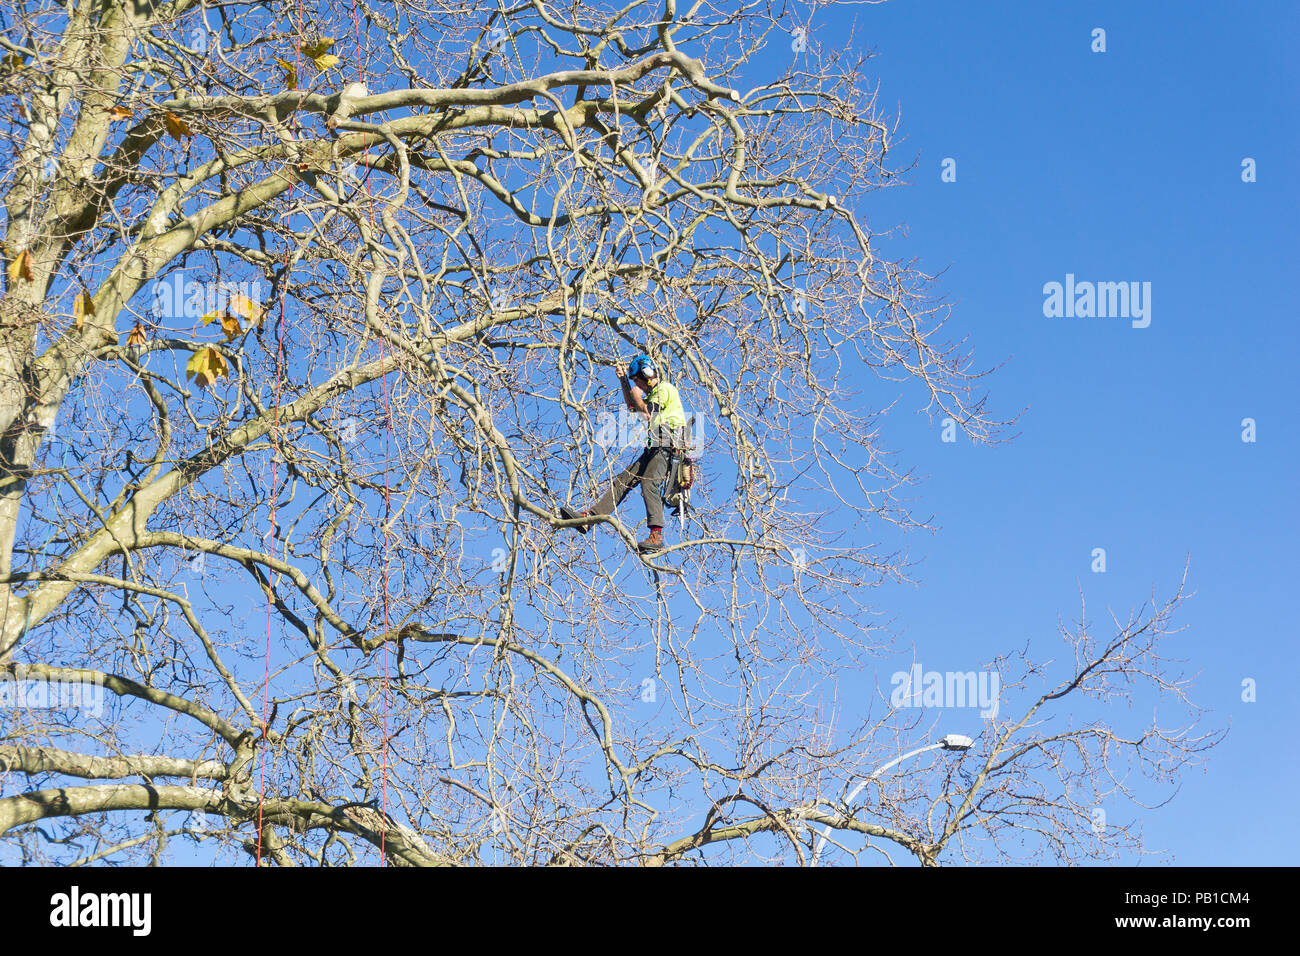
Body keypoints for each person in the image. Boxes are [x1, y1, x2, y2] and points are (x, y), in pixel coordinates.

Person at [561, 354, 688, 553]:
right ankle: (588, 518)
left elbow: (646, 411)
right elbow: (634, 407)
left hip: (667, 445)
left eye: (637, 380)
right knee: (622, 481)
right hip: (655, 446)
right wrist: (623, 381)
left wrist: (636, 393)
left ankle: (656, 535)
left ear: (646, 375)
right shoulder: (652, 393)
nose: (637, 384)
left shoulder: (664, 389)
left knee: (649, 484)